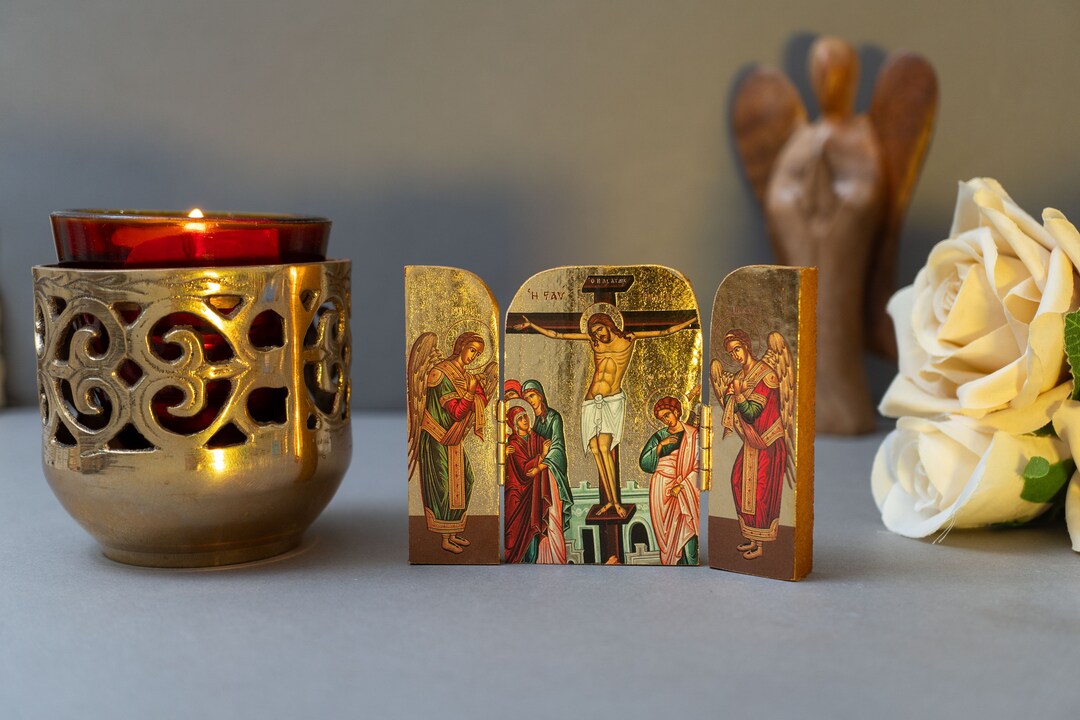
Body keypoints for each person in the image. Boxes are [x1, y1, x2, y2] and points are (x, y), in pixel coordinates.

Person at [513, 311, 693, 518]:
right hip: (591, 402)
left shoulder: (628, 339)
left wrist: (692, 320)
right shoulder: (594, 343)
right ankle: (608, 501)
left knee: (605, 448)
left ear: (608, 324)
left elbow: (665, 331)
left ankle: (616, 502)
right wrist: (532, 325)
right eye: (594, 332)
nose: (597, 335)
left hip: (611, 401)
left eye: (599, 329)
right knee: (596, 449)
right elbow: (558, 335)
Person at [417, 332, 492, 554]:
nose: (474, 356)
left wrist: (477, 391)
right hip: (436, 437)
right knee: (443, 487)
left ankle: (454, 531)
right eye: (472, 350)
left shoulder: (464, 374)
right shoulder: (439, 374)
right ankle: (444, 537)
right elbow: (457, 412)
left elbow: (481, 398)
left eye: (478, 353)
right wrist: (470, 393)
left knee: (465, 480)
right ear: (460, 346)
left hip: (452, 438)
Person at [719, 329, 787, 560]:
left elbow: (751, 413)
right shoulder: (742, 376)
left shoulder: (766, 375)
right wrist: (732, 395)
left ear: (747, 346)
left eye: (737, 349)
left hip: (768, 442)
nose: (735, 355)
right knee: (739, 481)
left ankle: (761, 545)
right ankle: (751, 537)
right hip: (752, 442)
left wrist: (737, 395)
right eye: (731, 352)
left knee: (760, 493)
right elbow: (733, 404)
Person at [638, 397, 700, 565]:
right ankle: (674, 565)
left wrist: (682, 485)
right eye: (662, 418)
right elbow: (645, 463)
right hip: (660, 487)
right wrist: (660, 446)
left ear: (677, 412)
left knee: (688, 527)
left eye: (667, 415)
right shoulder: (660, 436)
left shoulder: (692, 434)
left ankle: (691, 565)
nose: (666, 420)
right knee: (667, 534)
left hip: (683, 487)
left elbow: (698, 464)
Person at [503, 406, 564, 563]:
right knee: (515, 532)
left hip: (534, 492)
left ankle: (531, 562)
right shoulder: (513, 444)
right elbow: (525, 471)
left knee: (533, 527)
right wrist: (542, 455)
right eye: (520, 418)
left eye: (525, 417)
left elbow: (551, 452)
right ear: (515, 424)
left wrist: (546, 454)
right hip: (517, 495)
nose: (525, 420)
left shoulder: (537, 439)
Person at [520, 380, 572, 562]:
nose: (531, 401)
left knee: (553, 517)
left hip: (551, 474)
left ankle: (557, 559)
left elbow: (557, 446)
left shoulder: (553, 418)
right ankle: (544, 559)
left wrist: (539, 467)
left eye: (532, 396)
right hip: (539, 478)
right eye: (527, 398)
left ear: (540, 395)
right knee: (542, 521)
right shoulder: (534, 424)